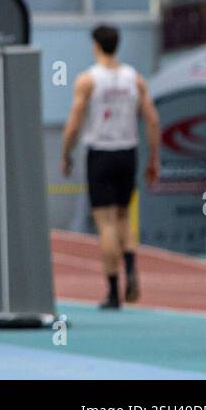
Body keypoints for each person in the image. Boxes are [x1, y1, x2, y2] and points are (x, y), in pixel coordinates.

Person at [62, 25, 161, 310]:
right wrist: (154, 158)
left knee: (104, 223)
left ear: (95, 45)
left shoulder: (88, 80)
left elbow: (74, 121)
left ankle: (113, 291)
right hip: (127, 152)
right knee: (123, 218)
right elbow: (152, 120)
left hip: (101, 153)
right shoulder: (135, 79)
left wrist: (66, 153)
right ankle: (130, 266)